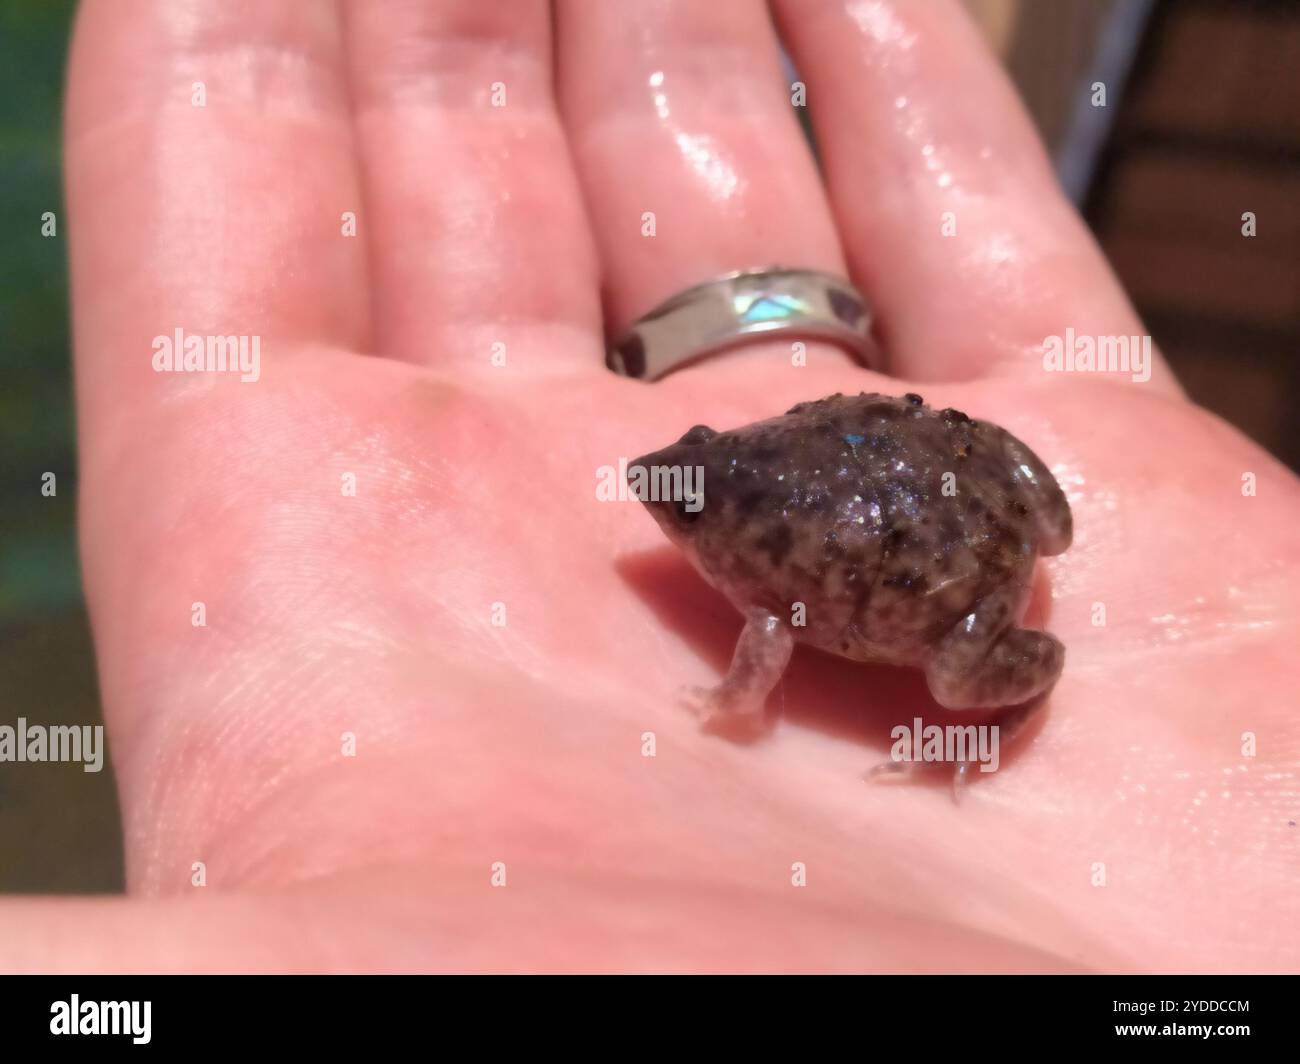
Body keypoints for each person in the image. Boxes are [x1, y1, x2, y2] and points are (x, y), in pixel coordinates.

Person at [16, 0, 1296, 972]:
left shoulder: (752, 578)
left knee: (965, 672)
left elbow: (759, 665)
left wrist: (730, 711)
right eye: (680, 480)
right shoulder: (747, 477)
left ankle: (984, 692)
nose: (656, 498)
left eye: (674, 502)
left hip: (963, 582)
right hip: (975, 479)